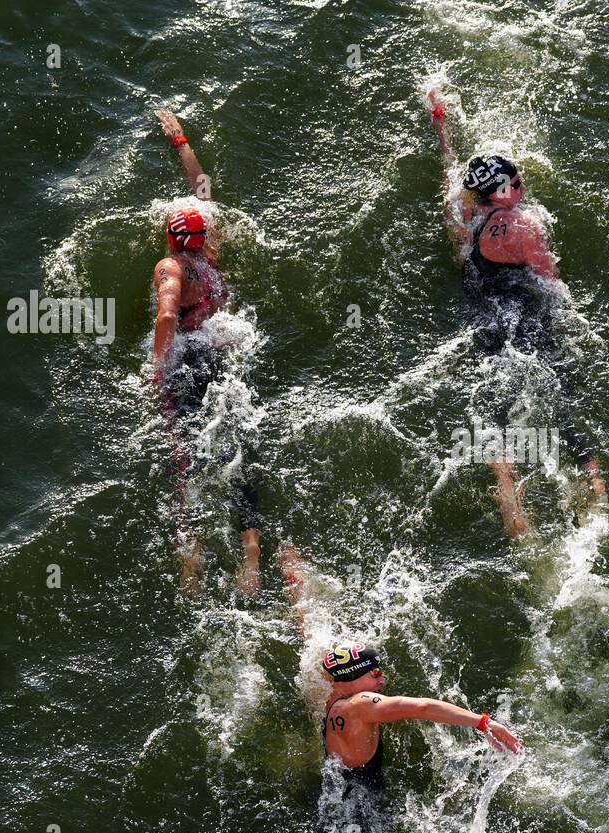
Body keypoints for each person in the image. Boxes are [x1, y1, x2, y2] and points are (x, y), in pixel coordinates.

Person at [428, 88, 605, 539]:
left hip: (483, 308)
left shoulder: (461, 211)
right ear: (507, 191)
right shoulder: (524, 226)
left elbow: (449, 170)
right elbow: (551, 281)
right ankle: (594, 484)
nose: (522, 183)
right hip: (524, 312)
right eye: (518, 180)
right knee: (562, 396)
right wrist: (571, 320)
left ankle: (508, 493)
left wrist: (440, 123)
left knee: (495, 403)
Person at [278, 546, 523, 789]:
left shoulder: (323, 691)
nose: (381, 679)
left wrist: (292, 576)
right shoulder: (361, 704)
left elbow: (307, 633)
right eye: (374, 673)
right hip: (363, 800)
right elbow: (422, 707)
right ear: (352, 677)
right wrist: (484, 723)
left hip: (335, 786)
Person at [152, 110, 263, 596]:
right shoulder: (211, 258)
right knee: (239, 447)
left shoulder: (172, 266)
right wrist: (180, 139)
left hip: (189, 359)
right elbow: (200, 185)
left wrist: (157, 369)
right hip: (225, 348)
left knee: (186, 460)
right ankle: (251, 557)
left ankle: (192, 567)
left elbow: (165, 317)